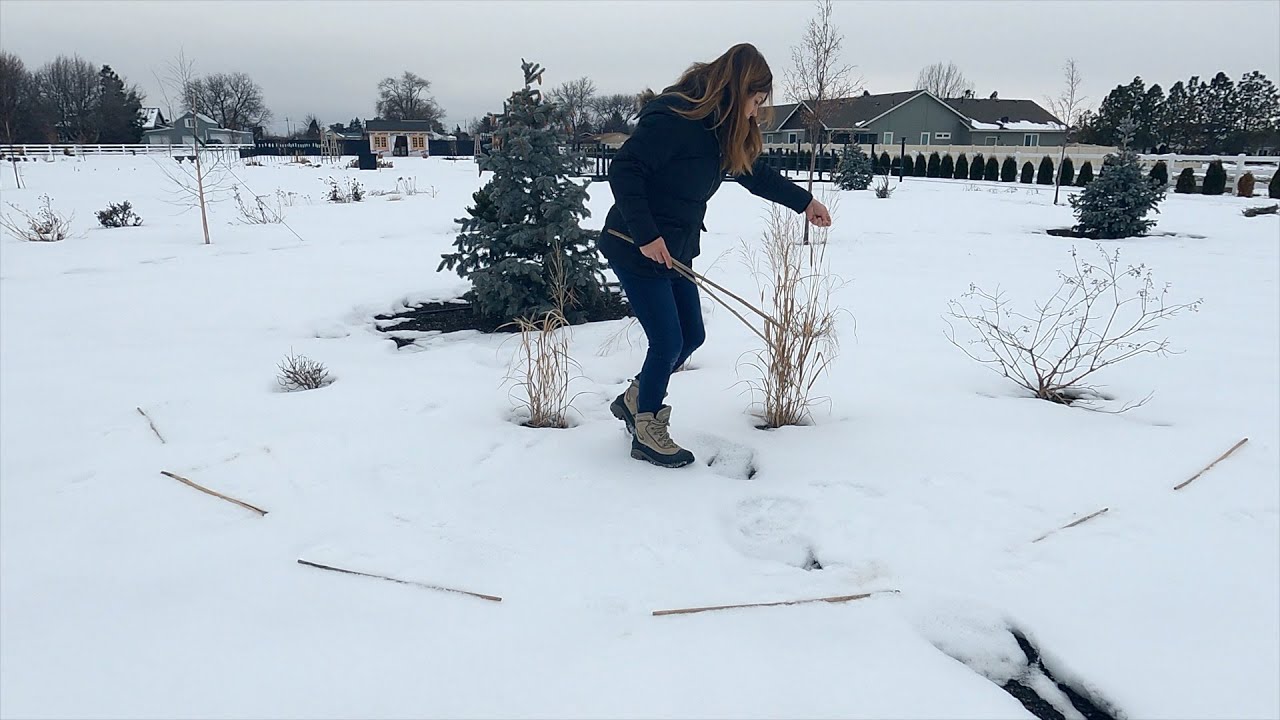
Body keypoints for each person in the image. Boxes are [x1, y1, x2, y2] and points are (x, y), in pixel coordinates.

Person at [598, 42, 832, 469]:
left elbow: (755, 173)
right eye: (754, 101)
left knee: (691, 336)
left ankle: (636, 398)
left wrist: (804, 202)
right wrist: (647, 234)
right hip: (635, 244)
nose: (755, 112)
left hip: (676, 250)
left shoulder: (722, 131)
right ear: (735, 88)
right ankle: (646, 427)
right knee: (667, 339)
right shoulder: (674, 117)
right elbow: (626, 169)